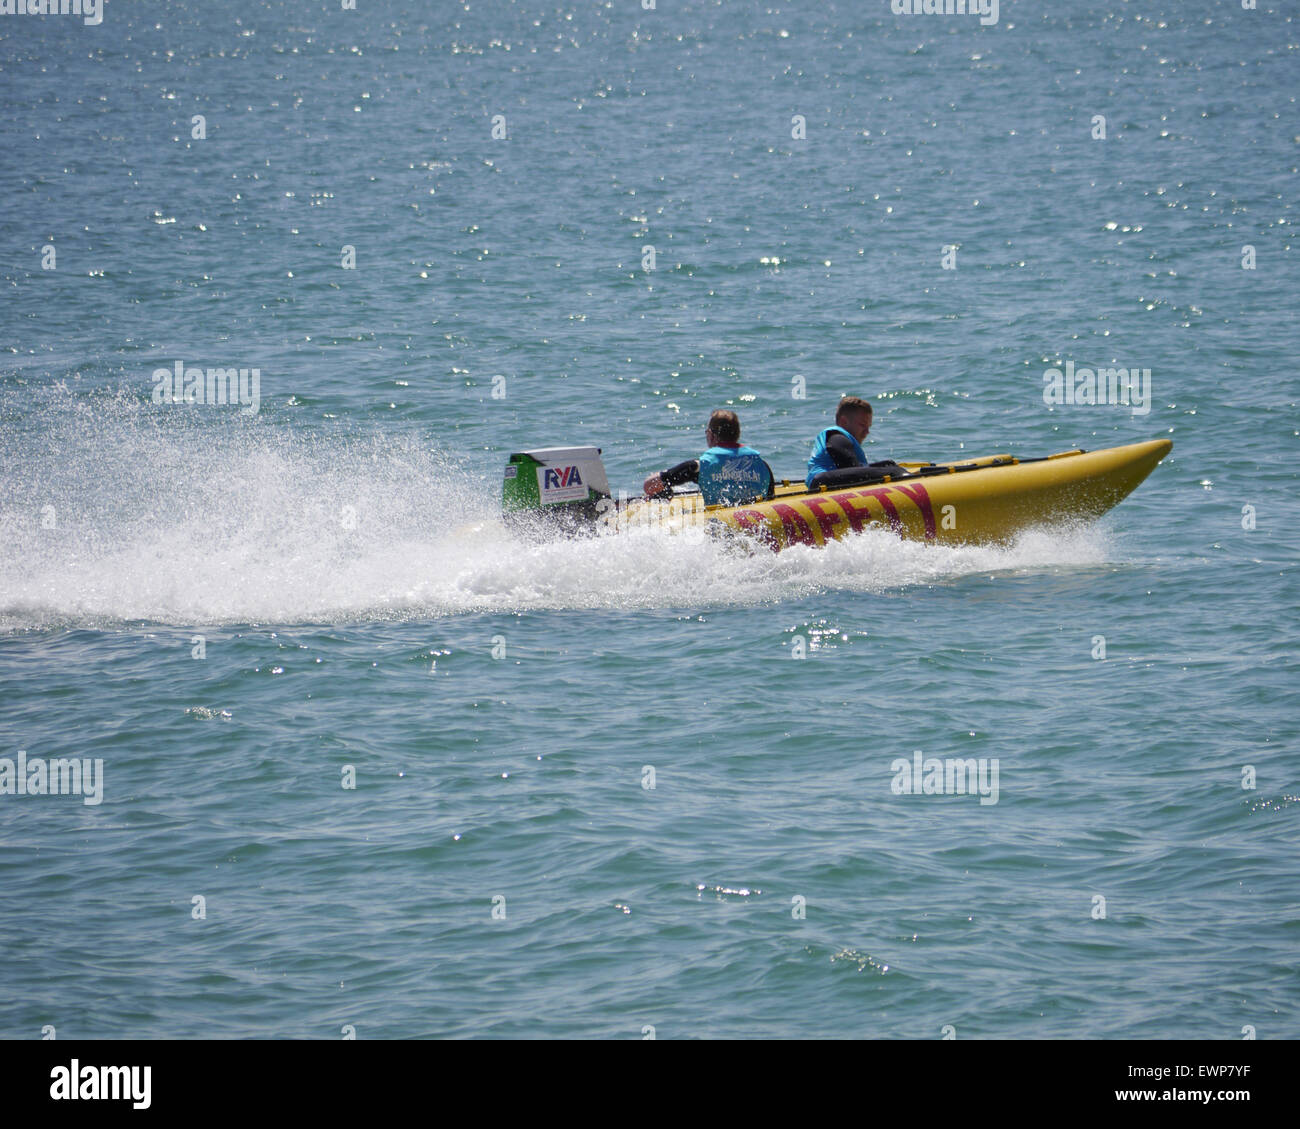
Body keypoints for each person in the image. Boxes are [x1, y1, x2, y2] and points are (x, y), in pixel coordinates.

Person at [643, 410, 775, 507]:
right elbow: (770, 501)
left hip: (719, 527)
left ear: (711, 435)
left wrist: (666, 492)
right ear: (738, 434)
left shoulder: (701, 466)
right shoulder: (762, 465)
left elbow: (649, 485)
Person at [805, 396, 908, 490]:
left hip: (825, 480)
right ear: (844, 422)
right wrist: (892, 471)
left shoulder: (839, 437)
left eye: (868, 427)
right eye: (862, 425)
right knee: (894, 471)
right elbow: (851, 468)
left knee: (888, 464)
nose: (867, 432)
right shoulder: (837, 437)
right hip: (822, 481)